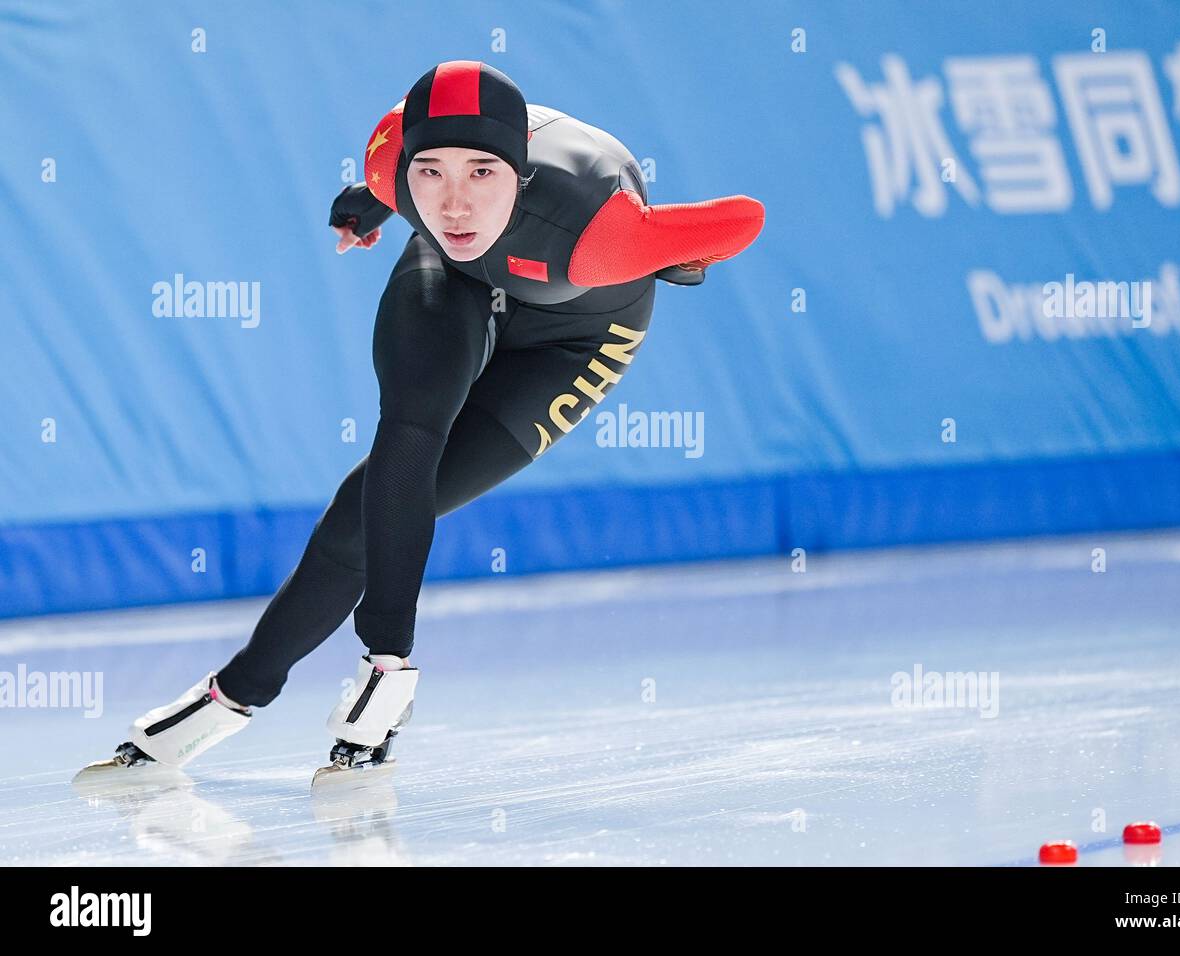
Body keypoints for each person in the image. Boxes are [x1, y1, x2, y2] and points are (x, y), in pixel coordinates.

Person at [77, 60, 764, 781]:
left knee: (416, 492)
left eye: (481, 174)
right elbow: (400, 184)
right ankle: (241, 693)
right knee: (383, 473)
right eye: (428, 172)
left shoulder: (599, 235)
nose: (455, 204)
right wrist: (368, 207)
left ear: (521, 172)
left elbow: (745, 218)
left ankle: (385, 674)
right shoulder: (394, 168)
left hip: (576, 336)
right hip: (461, 277)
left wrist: (681, 249)